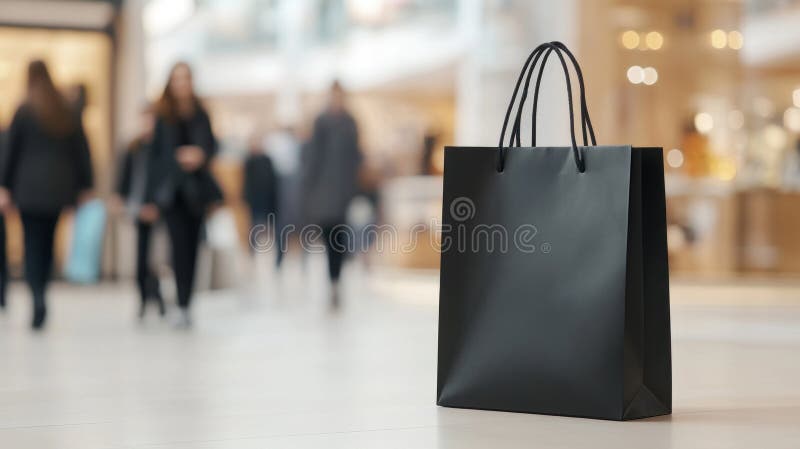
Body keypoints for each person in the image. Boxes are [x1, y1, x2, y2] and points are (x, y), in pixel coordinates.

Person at [0, 60, 93, 330]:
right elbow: (81, 151)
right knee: (49, 244)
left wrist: (4, 186)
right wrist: (85, 185)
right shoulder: (65, 110)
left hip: (28, 190)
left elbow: (11, 153)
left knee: (32, 245)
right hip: (57, 190)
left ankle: (37, 294)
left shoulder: (24, 110)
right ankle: (43, 291)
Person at [150, 62, 221, 328]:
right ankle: (179, 302)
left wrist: (199, 155)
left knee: (193, 248)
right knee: (177, 249)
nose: (182, 84)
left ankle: (187, 302)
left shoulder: (201, 113)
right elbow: (155, 156)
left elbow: (212, 146)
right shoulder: (163, 115)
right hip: (172, 193)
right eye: (177, 79)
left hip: (196, 193)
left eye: (185, 79)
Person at [302, 81, 362, 308]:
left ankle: (336, 281)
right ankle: (332, 280)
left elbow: (356, 158)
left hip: (343, 192)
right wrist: (310, 190)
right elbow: (313, 158)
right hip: (324, 192)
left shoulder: (350, 123)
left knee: (340, 239)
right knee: (329, 238)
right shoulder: (321, 122)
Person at [114, 106, 164, 318]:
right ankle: (144, 299)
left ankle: (158, 298)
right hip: (138, 209)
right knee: (141, 259)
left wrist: (158, 206)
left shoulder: (162, 148)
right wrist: (119, 198)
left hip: (159, 210)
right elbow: (123, 178)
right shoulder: (133, 147)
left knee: (157, 259)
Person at [242, 135, 278, 254]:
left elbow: (272, 179)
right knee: (255, 225)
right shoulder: (249, 160)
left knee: (271, 225)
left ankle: (274, 251)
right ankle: (252, 250)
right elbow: (246, 181)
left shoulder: (267, 159)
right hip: (255, 199)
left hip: (268, 198)